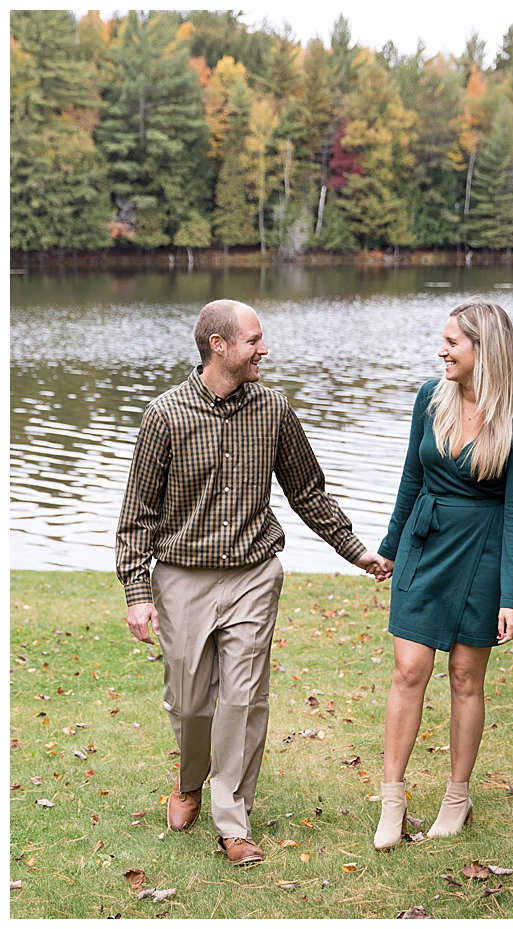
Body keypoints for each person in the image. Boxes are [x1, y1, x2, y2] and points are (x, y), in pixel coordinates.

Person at [116, 299, 392, 867]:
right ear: (219, 346)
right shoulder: (165, 416)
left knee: (243, 698)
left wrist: (356, 550)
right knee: (191, 703)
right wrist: (138, 593)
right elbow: (136, 514)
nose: (263, 349)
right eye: (254, 340)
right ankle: (190, 778)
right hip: (182, 577)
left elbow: (307, 491)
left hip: (253, 574)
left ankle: (233, 820)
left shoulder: (273, 409)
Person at [371, 301, 513, 851]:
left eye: (452, 343)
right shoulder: (429, 397)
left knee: (467, 678)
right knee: (408, 669)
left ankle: (456, 799)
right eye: (443, 341)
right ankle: (392, 802)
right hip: (425, 541)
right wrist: (390, 548)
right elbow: (409, 478)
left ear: (483, 349)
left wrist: (511, 596)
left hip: (483, 551)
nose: (441, 350)